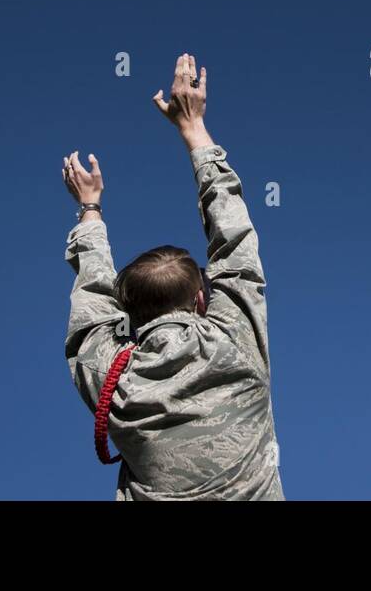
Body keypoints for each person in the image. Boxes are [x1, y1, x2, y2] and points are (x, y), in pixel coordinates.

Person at [60, 53, 283, 500]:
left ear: (128, 316)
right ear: (203, 300)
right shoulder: (235, 341)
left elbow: (90, 306)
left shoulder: (114, 381)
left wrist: (90, 209)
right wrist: (193, 129)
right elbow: (234, 240)